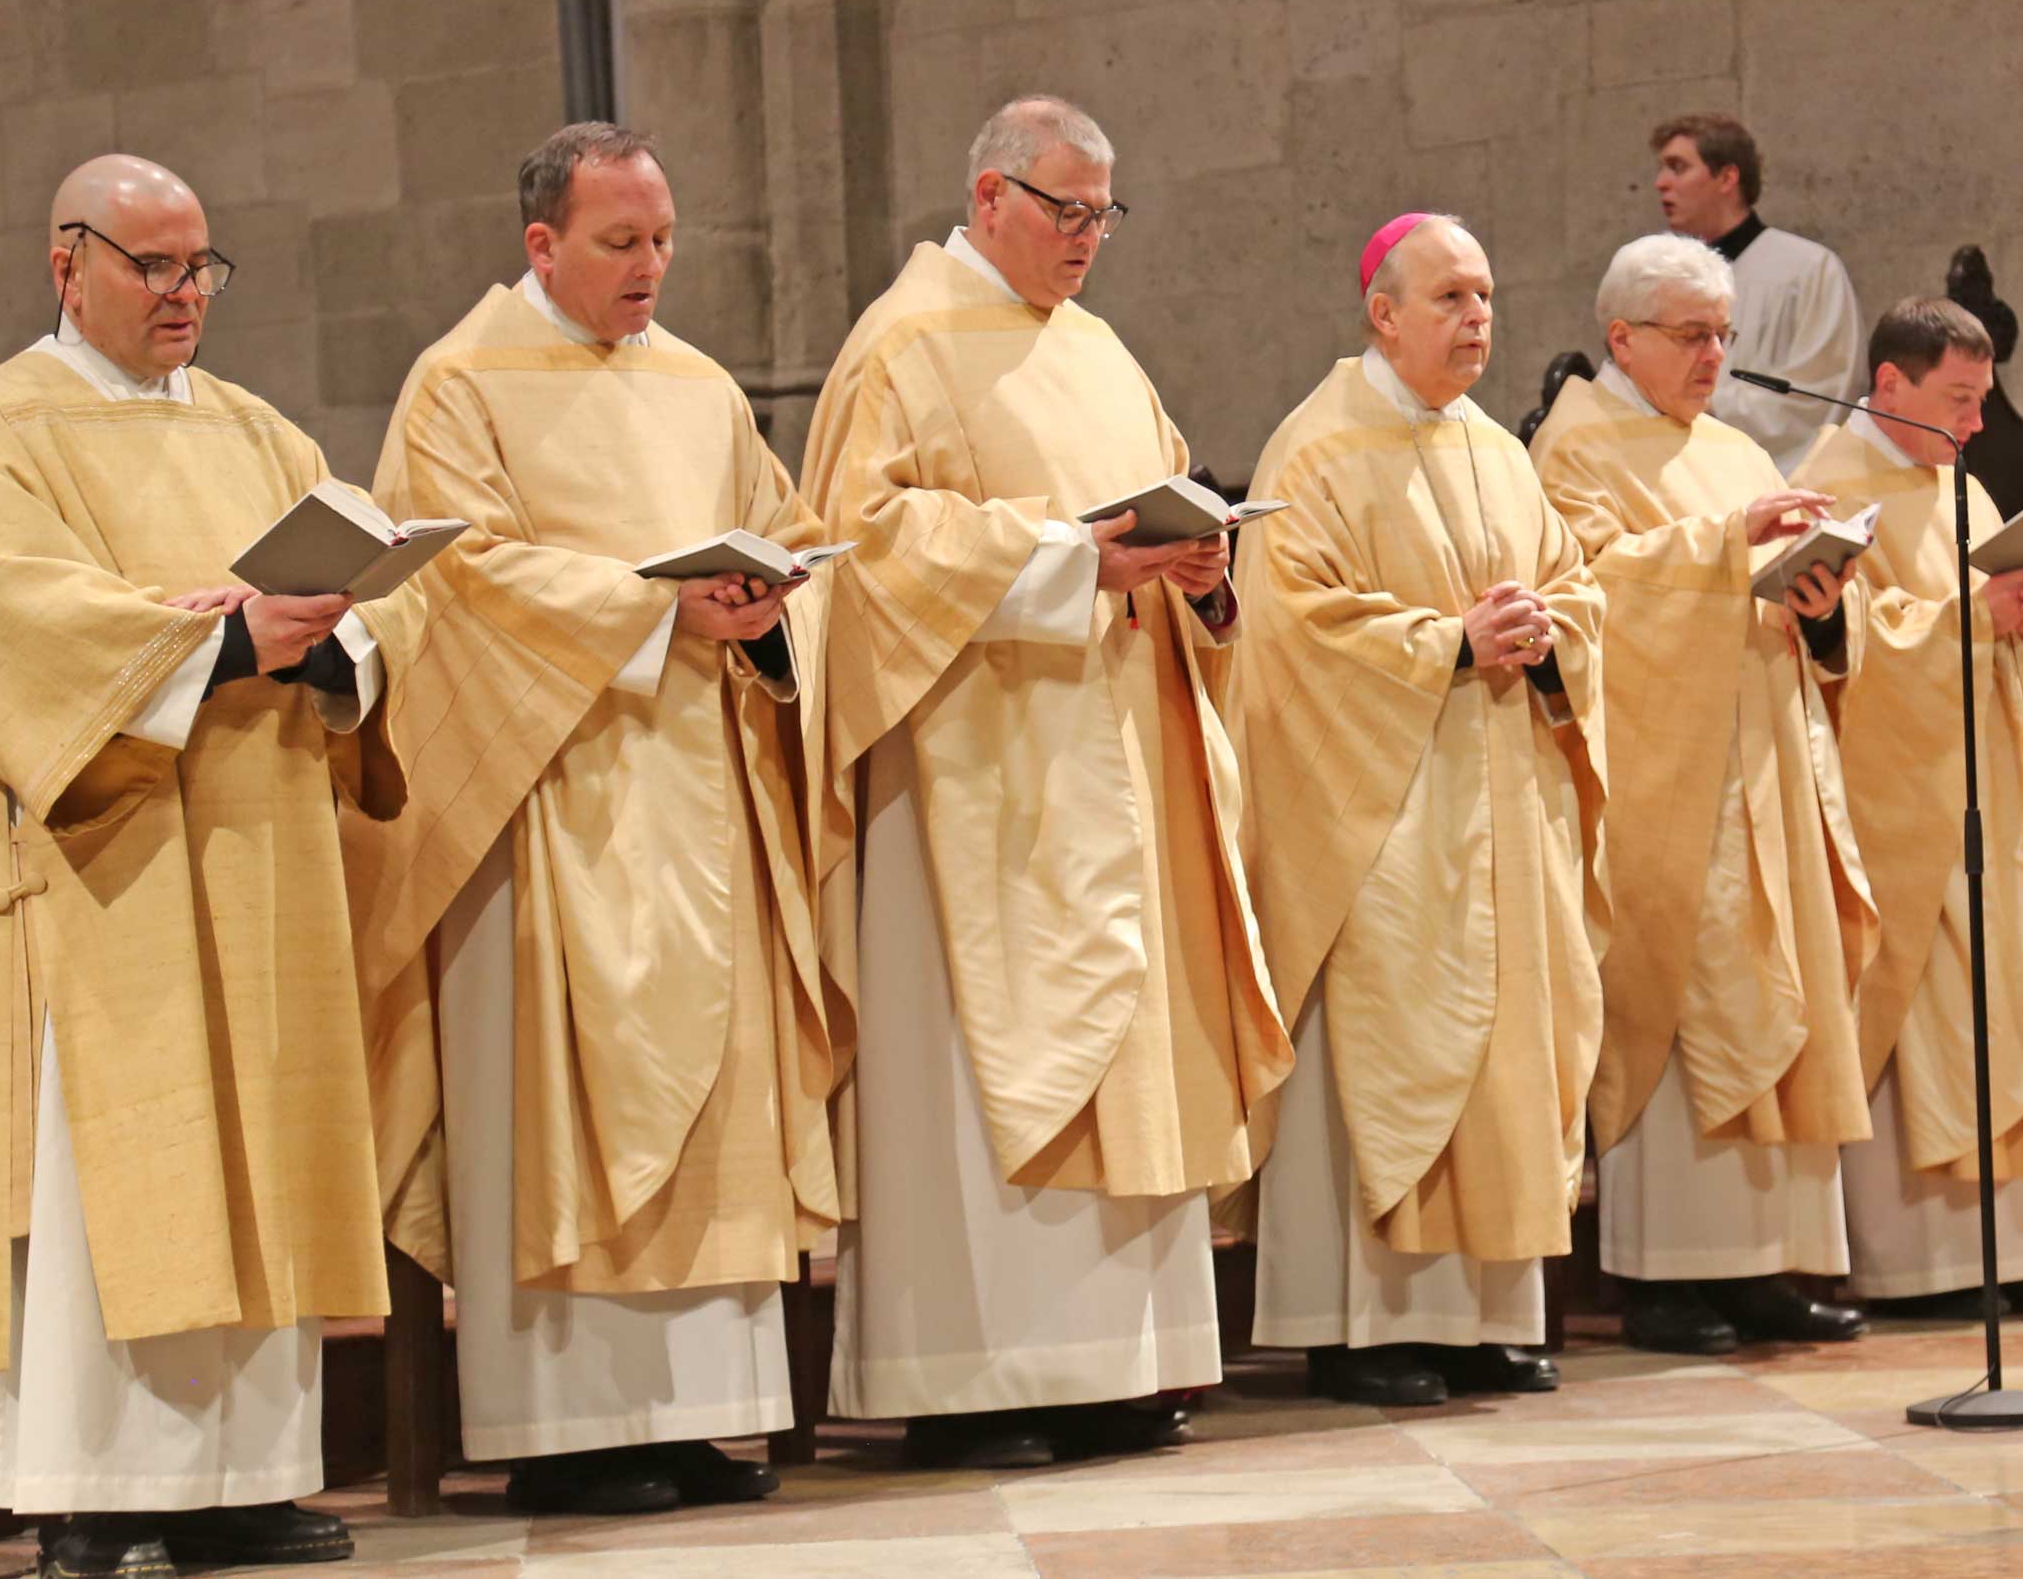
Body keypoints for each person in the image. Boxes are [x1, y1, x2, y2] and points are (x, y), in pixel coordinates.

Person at [0, 155, 410, 1579]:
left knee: (265, 1151)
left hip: (264, 851)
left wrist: (335, 636)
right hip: (109, 860)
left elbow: (361, 605)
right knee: (129, 1164)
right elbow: (13, 629)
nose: (188, 295)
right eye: (156, 266)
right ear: (68, 263)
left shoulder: (260, 431)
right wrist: (216, 640)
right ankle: (102, 1490)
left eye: (202, 268)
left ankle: (248, 1477)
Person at [799, 96, 1293, 1469]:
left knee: (1128, 1053)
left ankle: (1117, 1367)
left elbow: (1167, 494)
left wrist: (1199, 565)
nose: (1089, 238)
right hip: (974, 778)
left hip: (1115, 750)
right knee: (988, 1073)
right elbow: (865, 545)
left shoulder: (1102, 355)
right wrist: (1072, 557)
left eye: (1105, 214)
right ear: (990, 195)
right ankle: (978, 1382)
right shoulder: (897, 346)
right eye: (1067, 210)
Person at [343, 124, 827, 1514]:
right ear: (541, 244)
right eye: (621, 242)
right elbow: (453, 580)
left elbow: (778, 527)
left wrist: (766, 609)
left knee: (708, 1093)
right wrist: (646, 606)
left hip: (698, 779)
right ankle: (575, 1428)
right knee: (570, 1095)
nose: (651, 267)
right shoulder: (458, 383)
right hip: (544, 796)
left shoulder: (698, 384)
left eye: (664, 238)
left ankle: (697, 1416)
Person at [1230, 213, 1607, 1407]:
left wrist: (1551, 637)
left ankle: (1491, 1310)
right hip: (1378, 811)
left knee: (1505, 1053)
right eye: (1449, 296)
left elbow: (1577, 589)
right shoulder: (1316, 449)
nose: (1478, 318)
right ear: (1382, 313)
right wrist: (1448, 642)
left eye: (1487, 296)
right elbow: (1292, 628)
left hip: (1498, 796)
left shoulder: (1500, 450)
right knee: (1393, 1050)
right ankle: (1368, 1322)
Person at [1526, 233, 1876, 1353]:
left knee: (1777, 988)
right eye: (1691, 334)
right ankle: (1668, 1271)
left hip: (1762, 756)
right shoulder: (1571, 447)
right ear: (1621, 337)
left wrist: (1820, 600)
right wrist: (1728, 547)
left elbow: (1778, 592)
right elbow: (1588, 591)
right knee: (1686, 1002)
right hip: (1665, 773)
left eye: (1724, 334)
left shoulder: (1734, 449)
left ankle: (1767, 1261)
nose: (1714, 354)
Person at [1788, 297, 2023, 1317]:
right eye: (1959, 401)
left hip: (1988, 792)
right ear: (1889, 386)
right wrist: (1973, 617)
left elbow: (1984, 623)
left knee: (2008, 1003)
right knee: (1925, 1014)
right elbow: (1831, 642)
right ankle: (1925, 1261)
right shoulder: (1830, 487)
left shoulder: (1955, 488)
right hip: (1899, 801)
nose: (1975, 425)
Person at [1650, 113, 1864, 471]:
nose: (1661, 183)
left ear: (1727, 178)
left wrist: (1701, 402)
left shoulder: (1808, 269)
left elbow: (1824, 397)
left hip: (1780, 480)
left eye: (1677, 167)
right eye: (1662, 169)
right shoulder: (1666, 281)